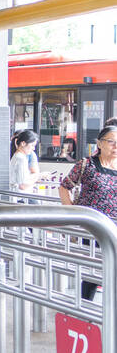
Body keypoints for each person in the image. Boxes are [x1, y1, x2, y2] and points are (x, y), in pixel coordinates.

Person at [59, 125, 117, 300]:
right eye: (111, 142)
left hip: (114, 227)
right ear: (99, 143)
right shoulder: (87, 165)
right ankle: (85, 310)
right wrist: (72, 212)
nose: (116, 146)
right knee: (95, 272)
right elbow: (64, 186)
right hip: (93, 227)